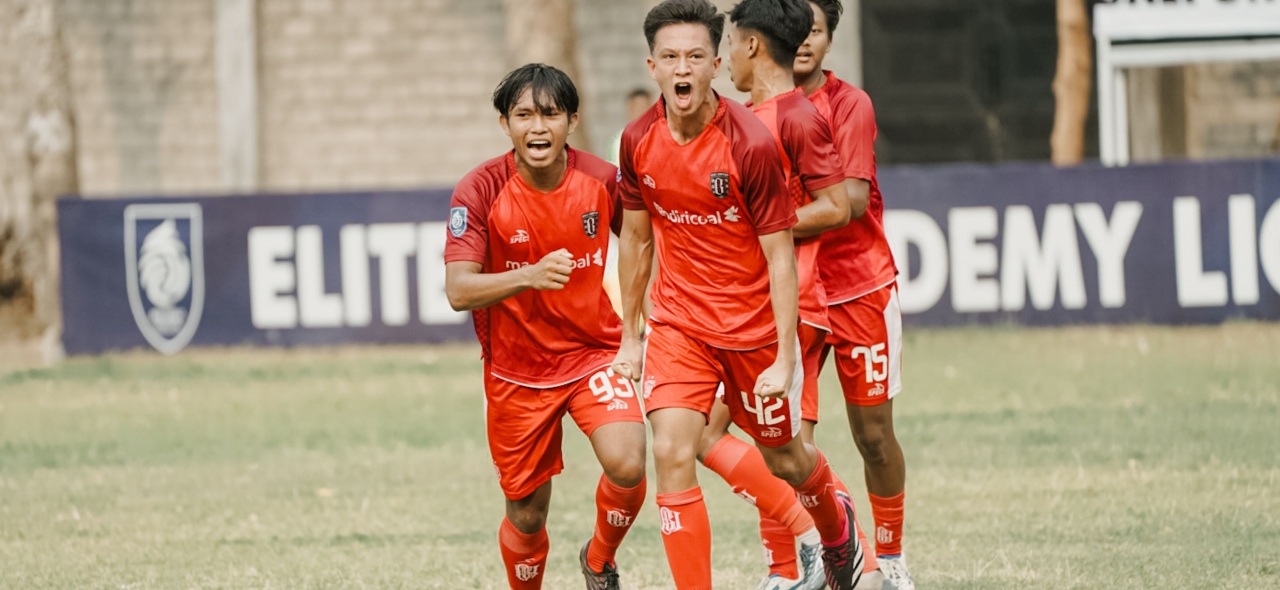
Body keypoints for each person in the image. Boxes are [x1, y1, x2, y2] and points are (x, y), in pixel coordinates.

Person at [611, 1, 863, 588]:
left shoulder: (749, 142)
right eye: (670, 56)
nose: (683, 68)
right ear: (652, 66)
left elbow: (779, 256)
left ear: (716, 64)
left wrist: (784, 357)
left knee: (788, 459)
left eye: (695, 56)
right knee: (673, 451)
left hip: (753, 329)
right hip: (679, 326)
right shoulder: (637, 141)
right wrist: (631, 335)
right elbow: (637, 242)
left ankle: (835, 525)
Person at [687, 1, 882, 588]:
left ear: (750, 47)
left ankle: (855, 555)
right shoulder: (749, 115)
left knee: (780, 446)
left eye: (728, 47)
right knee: (734, 439)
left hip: (790, 307)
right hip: (747, 308)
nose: (721, 64)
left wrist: (760, 223)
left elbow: (839, 205)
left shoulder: (795, 115)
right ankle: (808, 554)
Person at [443, 63, 648, 590]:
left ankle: (599, 559)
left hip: (592, 355)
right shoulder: (480, 189)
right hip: (516, 371)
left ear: (572, 120)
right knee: (528, 515)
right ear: (505, 124)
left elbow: (645, 243)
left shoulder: (603, 180)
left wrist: (636, 330)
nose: (538, 127)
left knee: (628, 463)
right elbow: (458, 291)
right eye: (524, 115)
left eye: (550, 114)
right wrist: (529, 277)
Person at [795, 2, 915, 589]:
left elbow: (852, 202)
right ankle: (824, 551)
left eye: (813, 30)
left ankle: (890, 560)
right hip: (793, 292)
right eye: (790, 29)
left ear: (830, 37)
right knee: (787, 439)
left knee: (873, 436)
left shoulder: (850, 105)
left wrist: (763, 222)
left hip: (860, 287)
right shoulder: (753, 112)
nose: (801, 40)